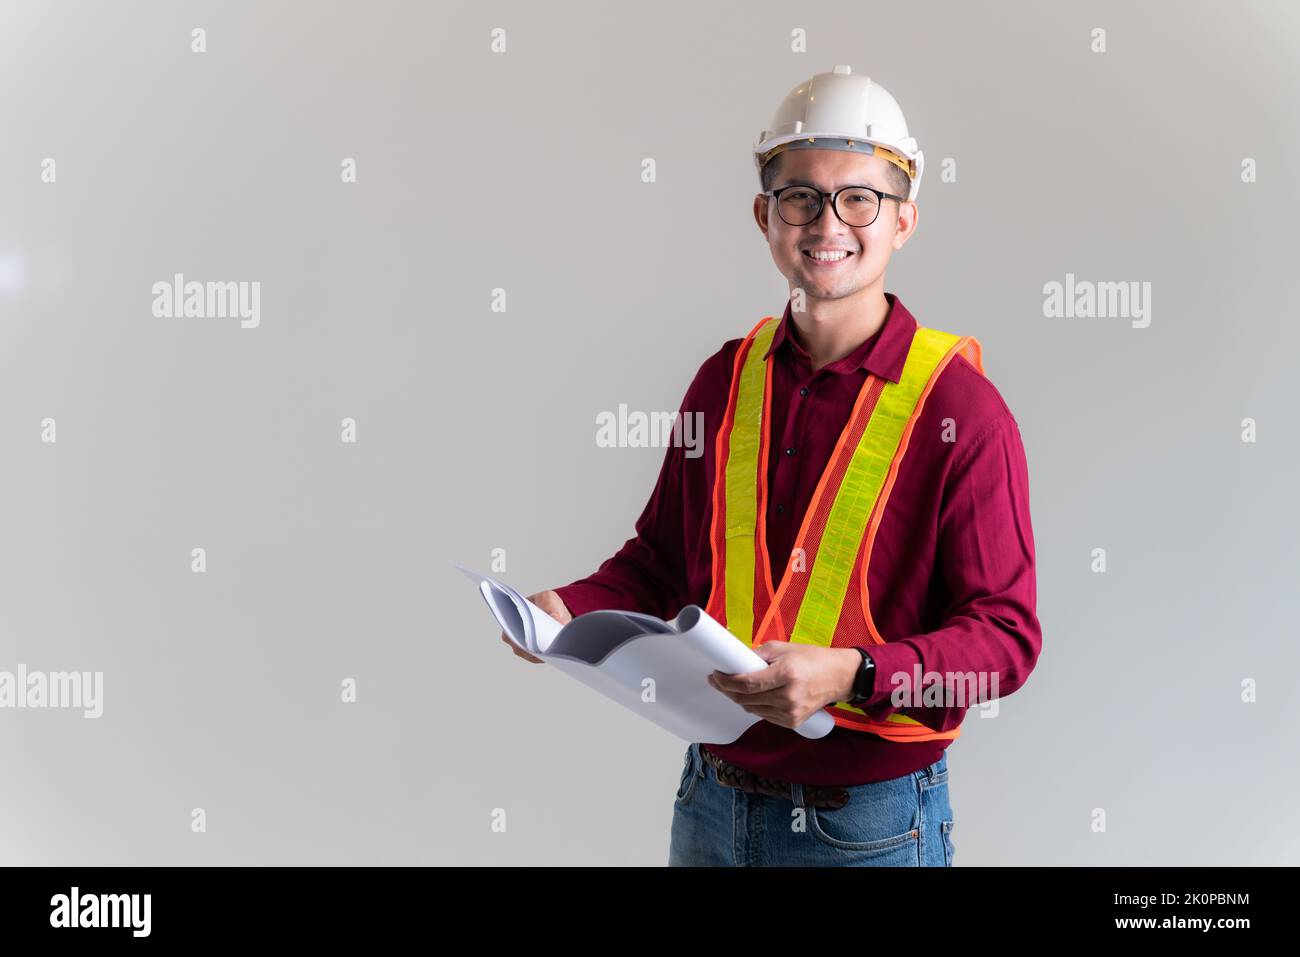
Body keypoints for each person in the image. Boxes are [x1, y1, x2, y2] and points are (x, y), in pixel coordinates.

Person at [501, 65, 1042, 866]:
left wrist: (856, 673)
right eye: (800, 197)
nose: (828, 223)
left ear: (904, 220)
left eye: (859, 198)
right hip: (711, 802)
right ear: (765, 215)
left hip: (865, 828)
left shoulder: (962, 411)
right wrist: (565, 610)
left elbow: (1004, 641)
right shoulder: (724, 381)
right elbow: (659, 562)